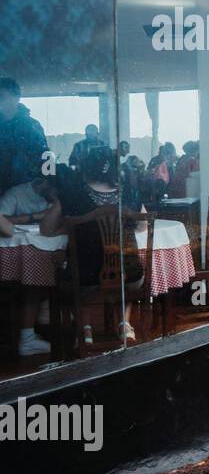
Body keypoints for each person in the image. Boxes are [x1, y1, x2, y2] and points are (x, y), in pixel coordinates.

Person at [40, 146, 145, 344]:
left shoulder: (72, 195)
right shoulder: (130, 194)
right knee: (125, 277)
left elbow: (46, 229)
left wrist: (71, 227)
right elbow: (142, 225)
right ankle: (124, 324)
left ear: (85, 167)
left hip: (86, 277)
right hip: (130, 276)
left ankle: (85, 329)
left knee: (71, 274)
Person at [0, 176, 57, 357]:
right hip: (14, 252)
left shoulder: (54, 198)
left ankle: (46, 314)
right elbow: (2, 218)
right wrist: (34, 217)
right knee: (34, 278)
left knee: (50, 265)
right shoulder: (16, 193)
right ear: (44, 183)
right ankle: (29, 333)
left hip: (42, 247)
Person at [0, 77, 49, 196]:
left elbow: (45, 156)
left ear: (16, 98)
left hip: (25, 190)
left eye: (2, 96)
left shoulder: (31, 126)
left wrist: (47, 182)